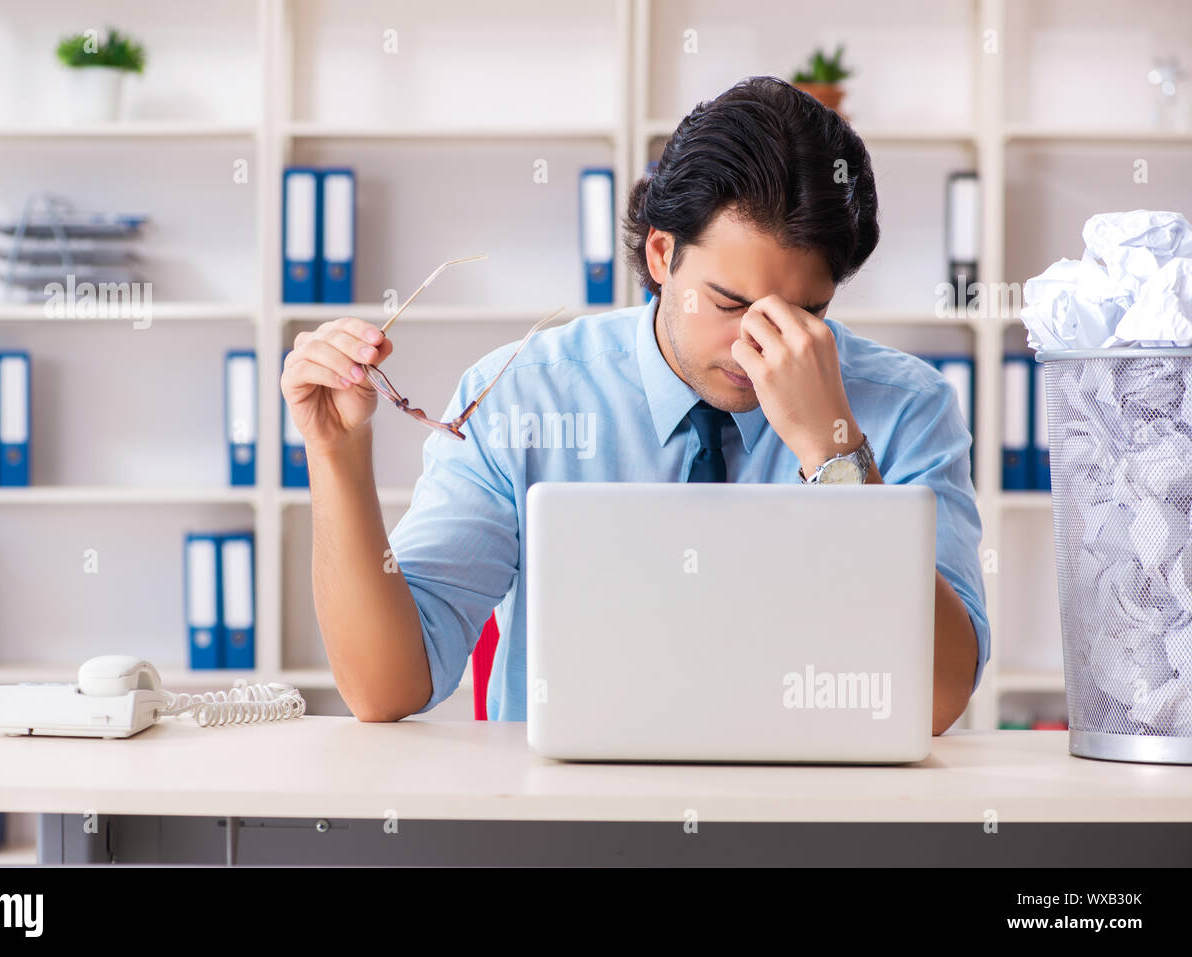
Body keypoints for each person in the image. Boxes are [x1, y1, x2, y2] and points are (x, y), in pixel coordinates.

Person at [280, 75, 989, 733]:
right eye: (729, 303)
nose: (757, 347)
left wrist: (833, 455)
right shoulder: (525, 395)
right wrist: (336, 455)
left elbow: (936, 698)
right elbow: (386, 687)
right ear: (660, 254)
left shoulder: (905, 409)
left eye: (807, 312)